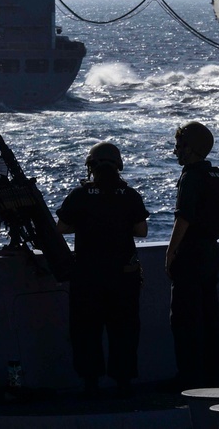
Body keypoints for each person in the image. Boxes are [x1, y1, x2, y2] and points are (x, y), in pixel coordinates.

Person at [56, 142, 149, 397]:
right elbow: (141, 230)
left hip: (88, 276)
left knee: (86, 331)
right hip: (124, 276)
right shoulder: (129, 195)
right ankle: (123, 383)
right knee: (124, 330)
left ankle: (91, 384)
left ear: (91, 167)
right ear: (118, 166)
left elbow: (61, 228)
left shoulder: (80, 195)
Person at [165, 121, 219, 390]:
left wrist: (171, 252)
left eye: (180, 146)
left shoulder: (191, 176)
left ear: (191, 149)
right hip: (210, 253)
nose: (176, 151)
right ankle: (214, 378)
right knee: (210, 318)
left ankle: (189, 379)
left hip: (191, 254)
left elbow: (184, 218)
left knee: (184, 319)